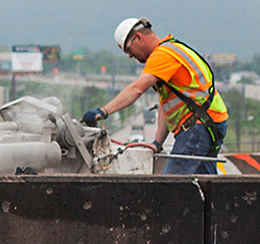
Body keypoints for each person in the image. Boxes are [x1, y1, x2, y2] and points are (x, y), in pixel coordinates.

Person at [81, 17, 229, 175]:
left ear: (139, 37)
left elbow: (136, 89)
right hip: (211, 124)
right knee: (206, 187)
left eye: (129, 49)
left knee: (169, 187)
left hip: (197, 128)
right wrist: (157, 142)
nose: (130, 56)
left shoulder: (162, 55)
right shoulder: (172, 49)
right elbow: (166, 106)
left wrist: (102, 111)